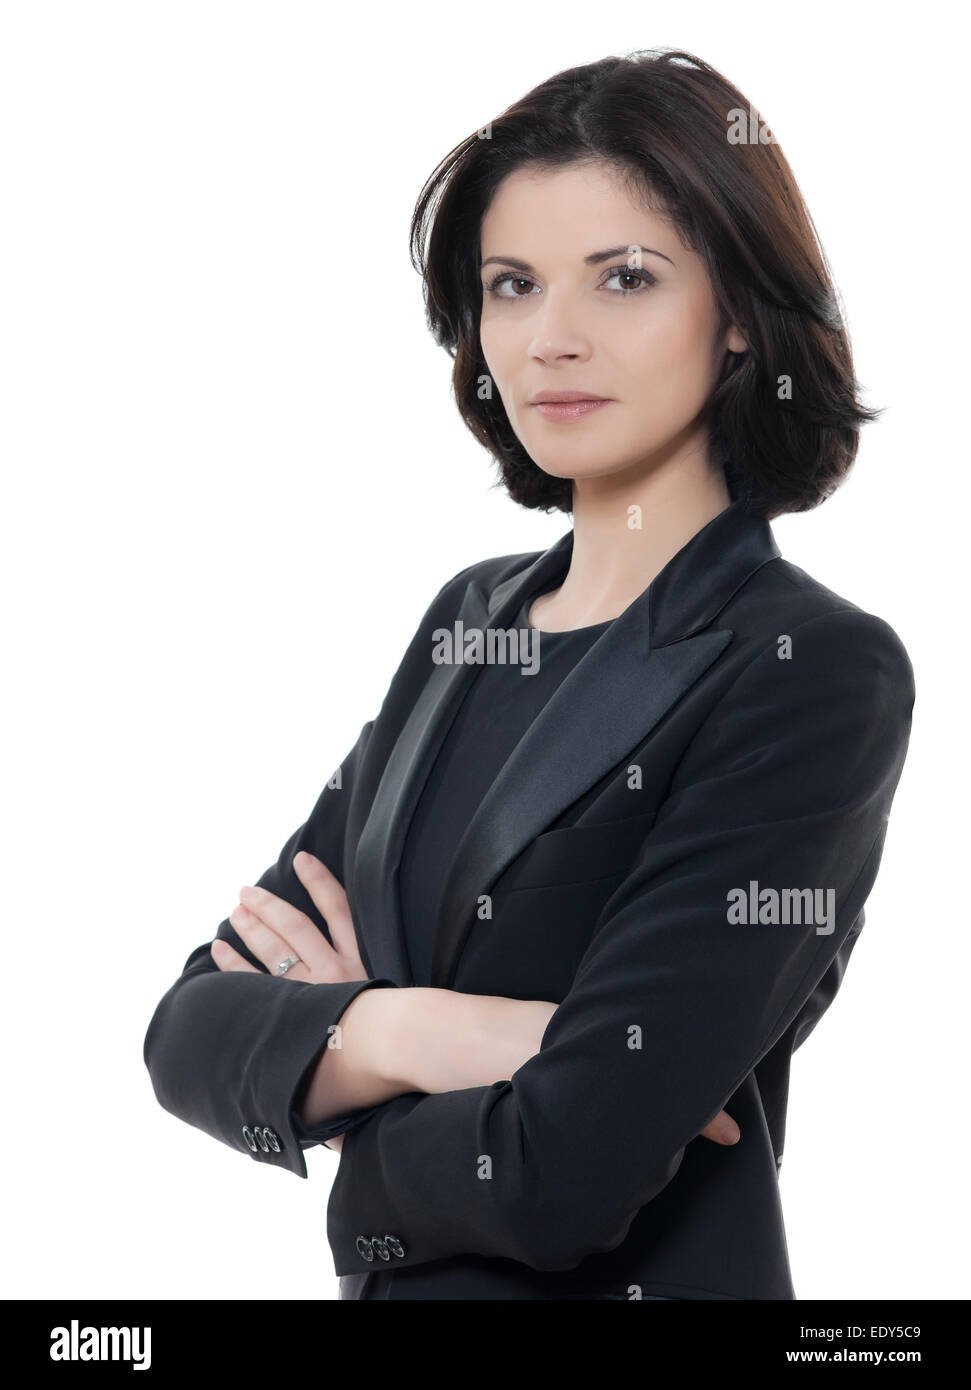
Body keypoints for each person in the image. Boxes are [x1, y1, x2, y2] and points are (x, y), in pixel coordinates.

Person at [143, 48, 915, 1300]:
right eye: (512, 285)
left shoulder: (810, 668)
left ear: (735, 315)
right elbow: (185, 1034)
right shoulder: (471, 619)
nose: (551, 339)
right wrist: (436, 1029)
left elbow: (564, 1171)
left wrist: (339, 1062)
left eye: (623, 278)